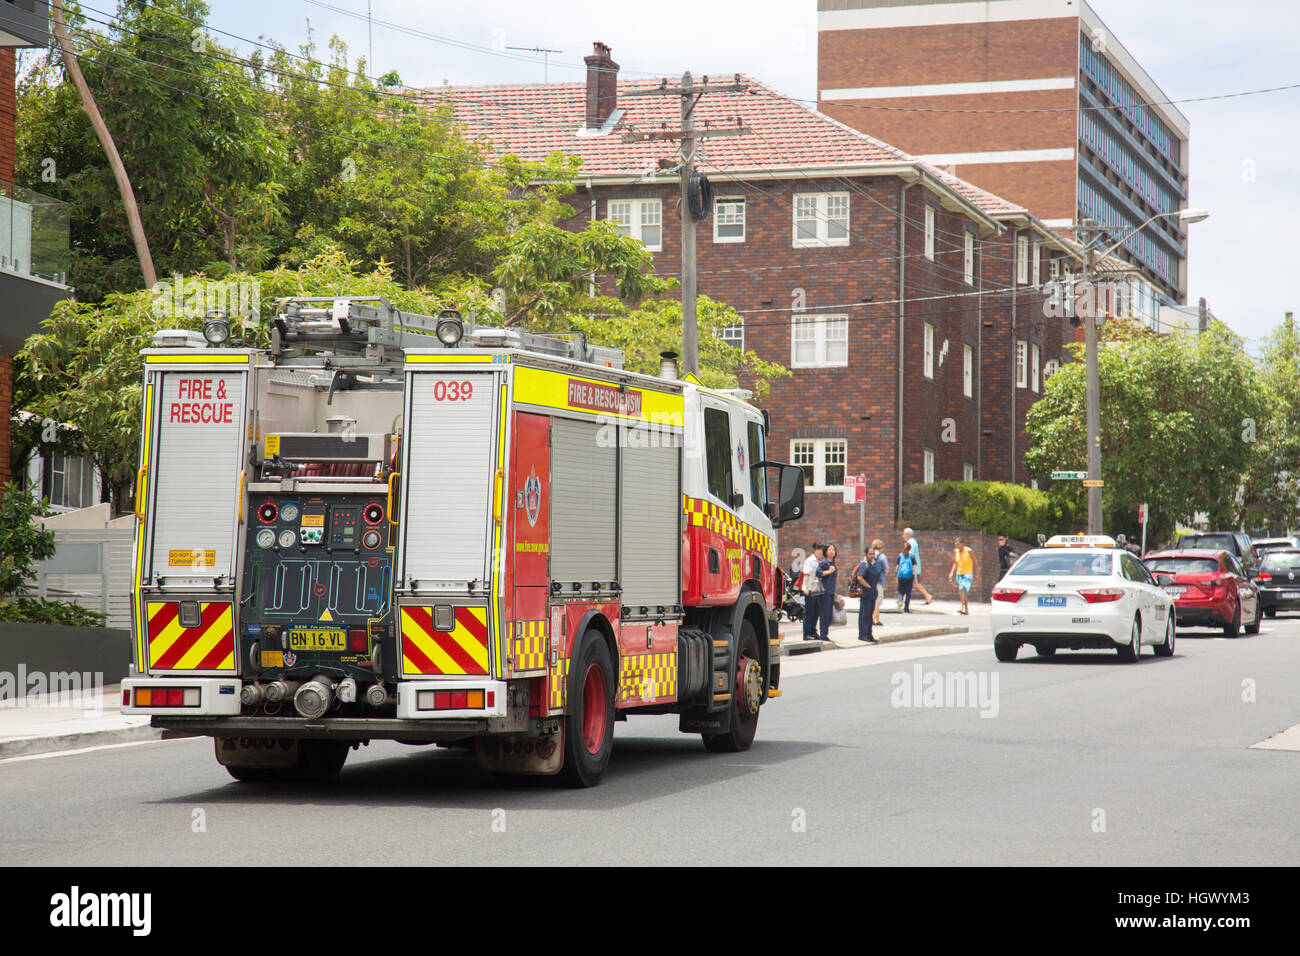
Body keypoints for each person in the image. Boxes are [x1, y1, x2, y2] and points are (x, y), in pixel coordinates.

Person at [855, 546, 884, 643]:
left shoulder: (874, 564)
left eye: (873, 554)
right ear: (865, 554)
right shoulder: (864, 564)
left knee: (870, 614)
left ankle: (869, 634)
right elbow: (859, 577)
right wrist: (868, 586)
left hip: (872, 593)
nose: (872, 556)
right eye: (870, 554)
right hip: (866, 593)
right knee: (864, 614)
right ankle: (863, 634)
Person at [901, 528, 934, 604]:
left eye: (904, 534)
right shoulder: (912, 542)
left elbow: (909, 555)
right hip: (914, 567)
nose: (902, 536)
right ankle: (904, 598)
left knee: (914, 583)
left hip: (912, 567)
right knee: (913, 583)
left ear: (907, 534)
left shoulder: (910, 543)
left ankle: (927, 596)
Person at [817, 543, 839, 641]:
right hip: (824, 592)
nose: (832, 551)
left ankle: (825, 633)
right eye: (830, 549)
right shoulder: (824, 563)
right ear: (826, 552)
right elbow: (818, 573)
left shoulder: (833, 563)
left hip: (830, 592)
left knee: (829, 615)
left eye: (833, 550)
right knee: (824, 614)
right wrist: (829, 572)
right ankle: (823, 634)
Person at [801, 543, 823, 640]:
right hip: (810, 589)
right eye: (818, 549)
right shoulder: (810, 561)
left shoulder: (821, 561)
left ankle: (813, 631)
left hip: (817, 588)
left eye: (821, 549)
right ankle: (807, 634)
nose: (820, 551)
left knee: (816, 612)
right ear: (814, 550)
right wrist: (805, 588)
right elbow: (806, 575)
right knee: (809, 612)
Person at [949, 536, 976, 615]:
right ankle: (966, 610)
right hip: (959, 573)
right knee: (963, 592)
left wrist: (976, 573)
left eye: (958, 544)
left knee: (961, 589)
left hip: (968, 573)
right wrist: (951, 573)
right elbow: (955, 563)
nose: (957, 546)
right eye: (955, 545)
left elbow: (975, 561)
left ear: (962, 544)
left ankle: (961, 607)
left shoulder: (969, 551)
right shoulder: (956, 551)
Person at [871, 538, 888, 626]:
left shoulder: (870, 556)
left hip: (870, 581)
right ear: (881, 547)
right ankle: (874, 619)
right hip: (879, 581)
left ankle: (877, 618)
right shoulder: (882, 557)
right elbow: (886, 570)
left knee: (874, 600)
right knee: (878, 600)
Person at [896, 539, 916, 612]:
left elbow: (897, 566)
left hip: (900, 576)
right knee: (908, 593)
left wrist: (896, 576)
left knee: (901, 591)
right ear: (910, 549)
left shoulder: (900, 556)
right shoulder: (912, 556)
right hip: (909, 577)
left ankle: (900, 600)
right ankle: (906, 609)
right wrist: (915, 578)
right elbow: (914, 567)